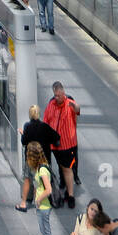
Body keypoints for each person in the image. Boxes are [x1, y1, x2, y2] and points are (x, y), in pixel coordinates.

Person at [43, 81, 81, 209]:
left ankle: (70, 195)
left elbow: (78, 109)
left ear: (63, 93)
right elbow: (46, 120)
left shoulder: (69, 104)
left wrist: (74, 106)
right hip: (55, 145)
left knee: (68, 168)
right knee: (62, 167)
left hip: (67, 144)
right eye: (55, 95)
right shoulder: (51, 105)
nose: (57, 98)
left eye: (59, 95)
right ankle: (65, 189)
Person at [17, 105, 60, 210]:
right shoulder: (45, 126)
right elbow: (56, 138)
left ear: (30, 114)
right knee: (39, 181)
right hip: (43, 159)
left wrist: (23, 134)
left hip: (30, 158)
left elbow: (24, 141)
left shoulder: (27, 126)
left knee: (27, 179)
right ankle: (38, 202)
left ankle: (23, 203)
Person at [25, 141, 57, 235]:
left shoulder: (42, 170)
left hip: (44, 206)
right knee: (45, 234)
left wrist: (38, 199)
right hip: (42, 206)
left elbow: (48, 189)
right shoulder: (42, 166)